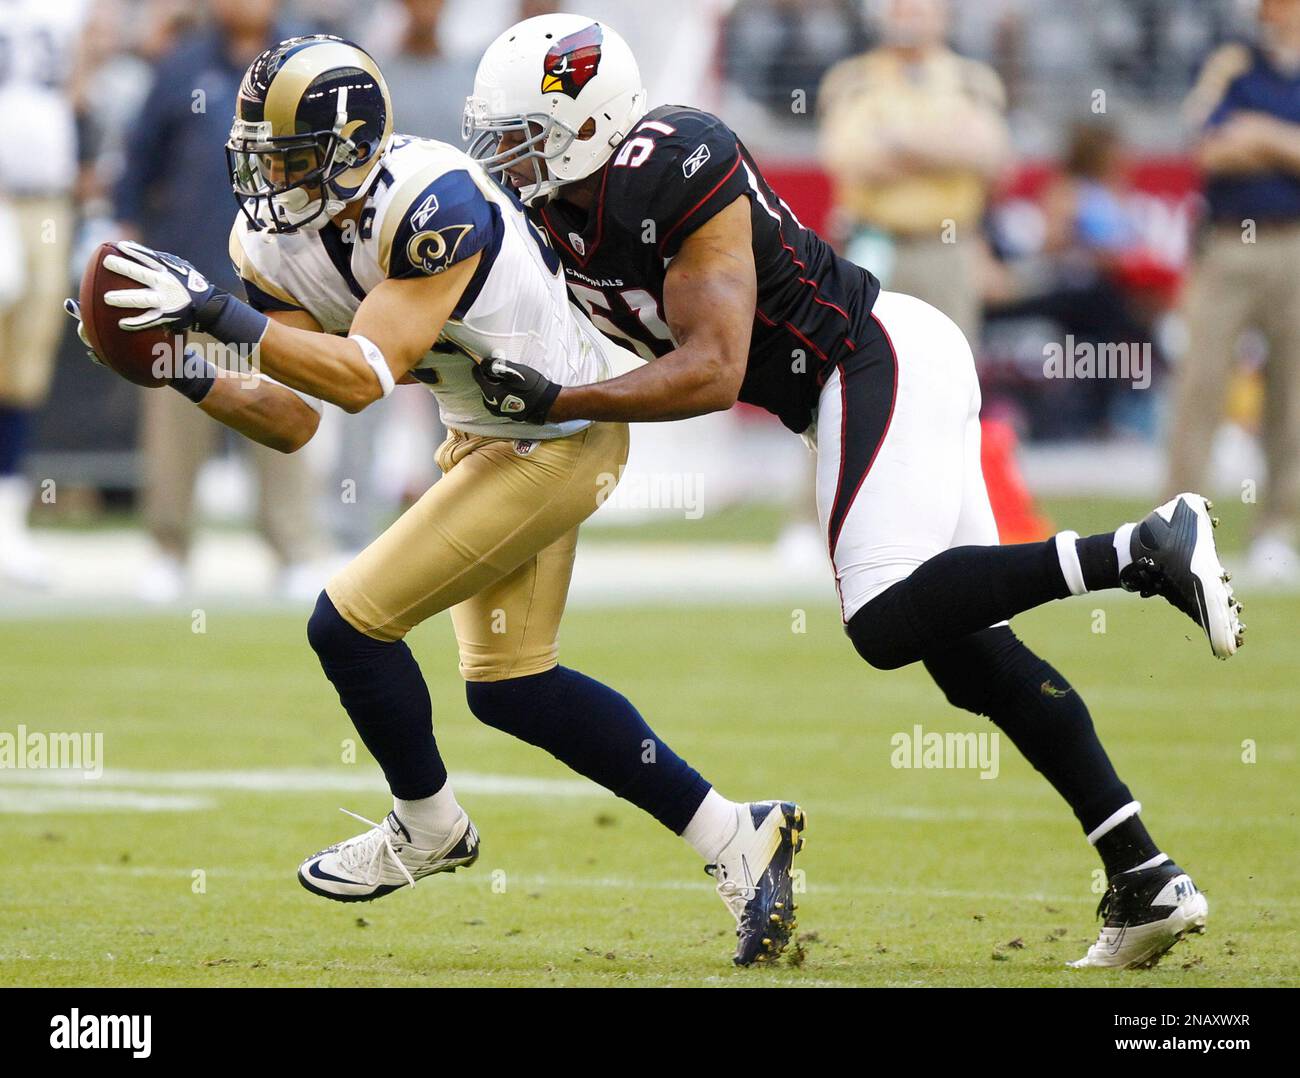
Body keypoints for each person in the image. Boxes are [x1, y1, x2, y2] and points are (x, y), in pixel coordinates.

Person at [464, 13, 1244, 970]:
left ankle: (1137, 550)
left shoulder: (673, 163)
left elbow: (713, 369)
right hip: (857, 379)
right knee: (974, 660)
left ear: (590, 123)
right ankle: (1144, 874)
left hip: (873, 357)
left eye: (525, 136)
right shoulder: (554, 213)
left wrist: (561, 399)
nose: (508, 158)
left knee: (880, 617)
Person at [67, 35, 804, 967]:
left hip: (558, 433)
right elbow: (293, 419)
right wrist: (182, 368)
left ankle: (426, 826)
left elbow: (362, 376)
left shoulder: (430, 201)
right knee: (513, 689)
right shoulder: (266, 241)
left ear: (350, 150)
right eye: (257, 156)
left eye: (288, 158)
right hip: (487, 435)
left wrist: (216, 313)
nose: (268, 180)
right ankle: (737, 833)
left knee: (347, 624)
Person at [112, 0, 323, 601]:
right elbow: (137, 166)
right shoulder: (180, 66)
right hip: (185, 280)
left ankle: (294, 548)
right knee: (175, 422)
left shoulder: (304, 63)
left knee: (281, 412)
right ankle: (168, 550)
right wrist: (127, 249)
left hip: (279, 281)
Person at [1172, 0, 1300, 582]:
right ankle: (1176, 526)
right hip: (1227, 245)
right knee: (1200, 385)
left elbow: (1238, 143)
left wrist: (1262, 135)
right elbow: (1208, 148)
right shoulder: (1231, 63)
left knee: (1292, 394)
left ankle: (1279, 528)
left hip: (1292, 243)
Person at [815, 0, 1010, 345]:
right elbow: (851, 157)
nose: (909, 19)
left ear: (943, 16)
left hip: (947, 249)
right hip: (874, 244)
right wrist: (947, 143)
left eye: (919, 10)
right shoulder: (852, 78)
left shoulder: (973, 80)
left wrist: (895, 139)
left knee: (950, 357)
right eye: (899, 10)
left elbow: (991, 156)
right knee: (869, 354)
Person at [0, 0, 93, 585]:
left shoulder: (70, 10)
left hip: (47, 200)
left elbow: (77, 87)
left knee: (23, 370)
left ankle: (7, 526)